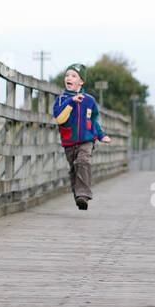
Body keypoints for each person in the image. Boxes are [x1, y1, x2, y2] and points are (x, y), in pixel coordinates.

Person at [52, 64, 111, 210]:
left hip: (87, 139)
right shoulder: (61, 99)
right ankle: (78, 197)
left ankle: (83, 195)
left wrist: (101, 135)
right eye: (67, 75)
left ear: (81, 81)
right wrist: (71, 101)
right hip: (69, 141)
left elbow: (93, 120)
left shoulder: (89, 100)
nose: (68, 78)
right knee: (74, 168)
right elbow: (60, 118)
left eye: (73, 76)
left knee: (82, 161)